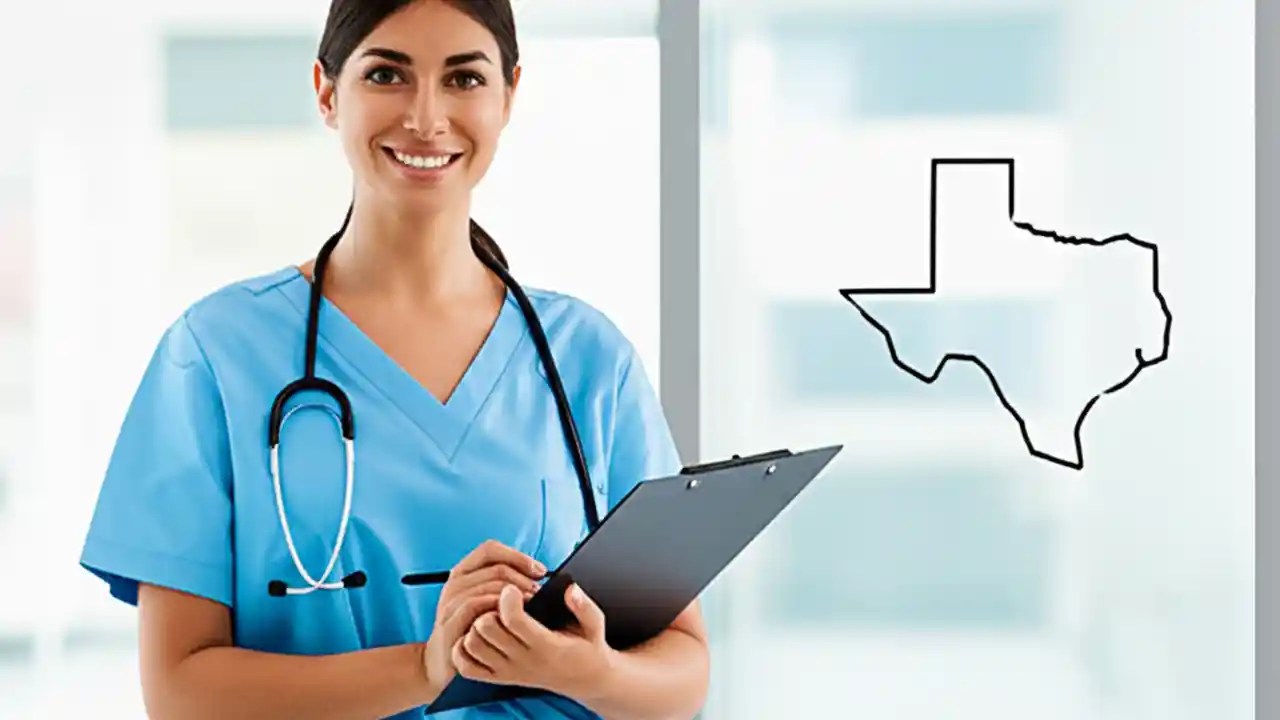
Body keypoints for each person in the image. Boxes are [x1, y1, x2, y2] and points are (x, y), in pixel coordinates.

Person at [76, 1, 710, 718]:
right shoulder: (216, 356)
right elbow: (180, 693)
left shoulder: (587, 358)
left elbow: (683, 668)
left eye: (465, 79)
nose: (427, 117)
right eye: (387, 75)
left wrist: (590, 671)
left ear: (510, 96)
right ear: (326, 91)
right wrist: (425, 666)